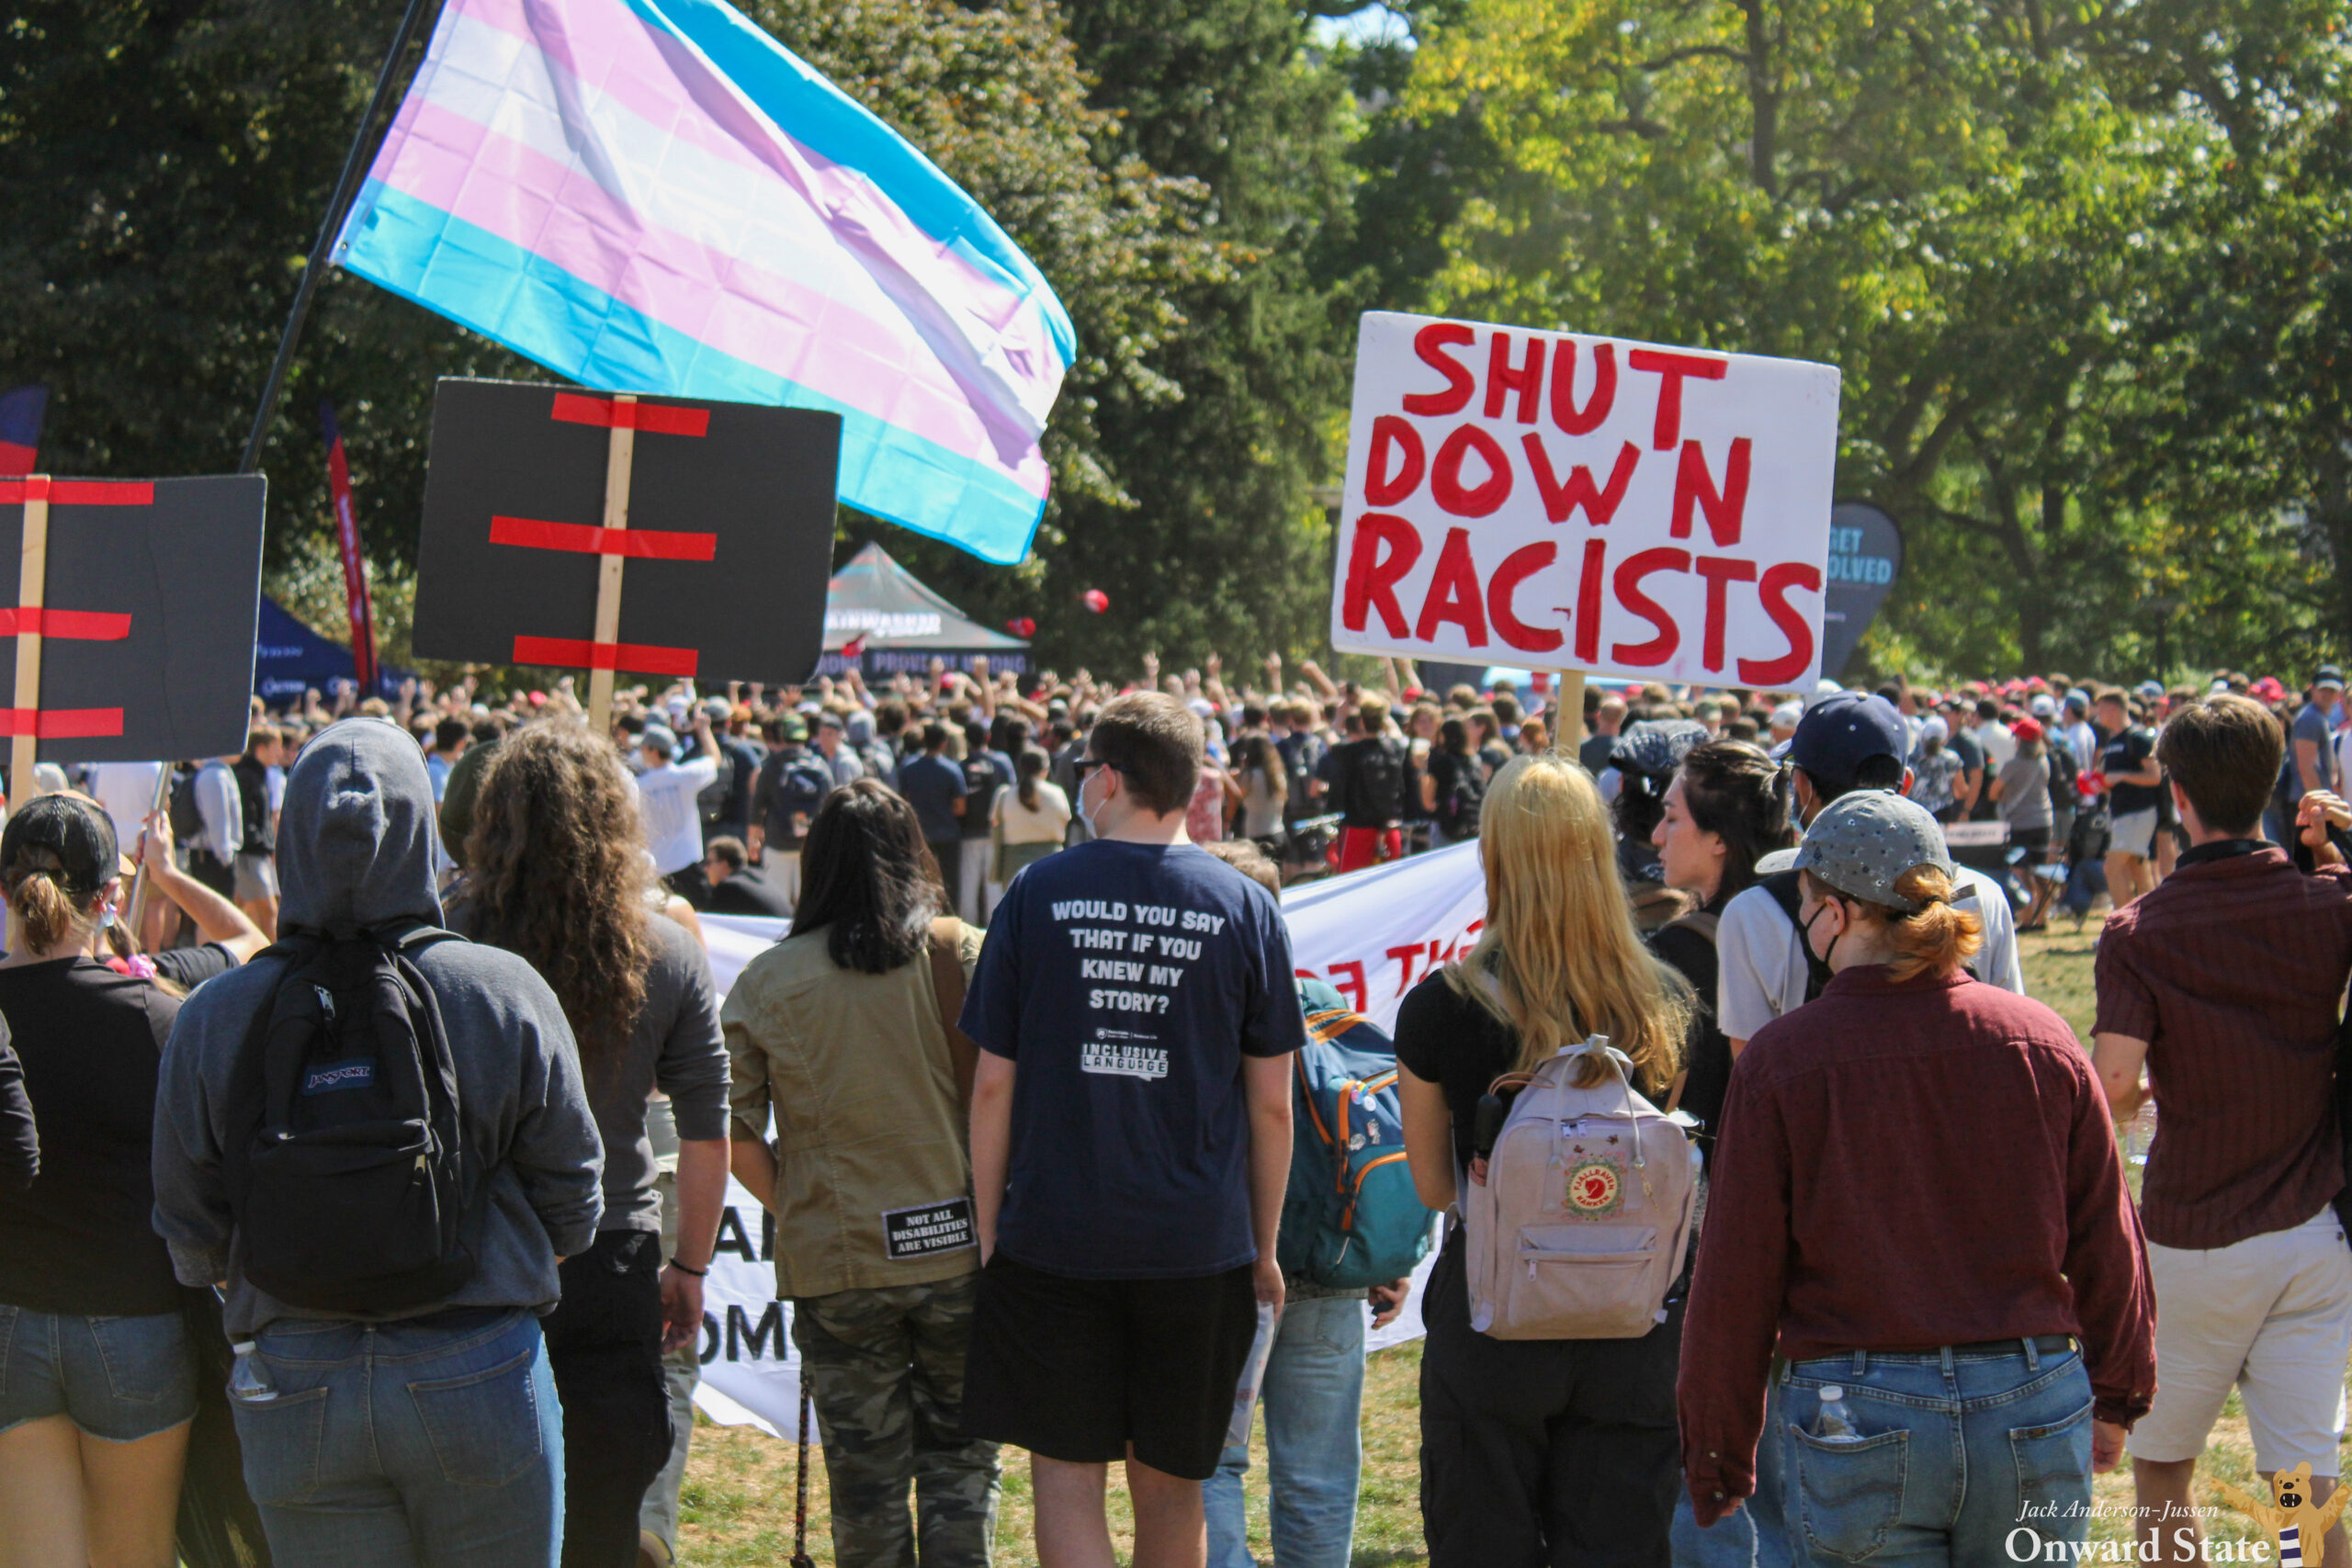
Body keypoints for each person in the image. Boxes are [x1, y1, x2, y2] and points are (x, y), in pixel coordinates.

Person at [153, 717, 605, 1568]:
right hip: (476, 1360)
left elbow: (186, 1225)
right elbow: (576, 1196)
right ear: (425, 830)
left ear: (289, 837)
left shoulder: (214, 1014)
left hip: (292, 1375)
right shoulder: (501, 991)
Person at [1679, 791, 2156, 1563]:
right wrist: (2119, 1389)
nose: (1803, 917)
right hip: (2030, 1399)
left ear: (1836, 912)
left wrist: (1717, 1450)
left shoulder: (1783, 1061)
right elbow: (2110, 1233)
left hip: (1854, 1411)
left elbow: (1736, 1274)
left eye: (1805, 900)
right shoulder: (2039, 1039)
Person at [960, 691, 1303, 1568]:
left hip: (1055, 1233)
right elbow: (1272, 1103)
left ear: (1108, 778)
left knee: (1066, 1480)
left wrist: (991, 1227)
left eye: (1083, 771)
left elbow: (992, 1084)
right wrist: (1260, 1245)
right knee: (1173, 1487)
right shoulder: (1246, 905)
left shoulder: (1039, 890)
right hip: (1197, 1244)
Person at [1393, 752, 1695, 1565]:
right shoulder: (1664, 1001)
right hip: (1634, 1321)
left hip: (1495, 1318)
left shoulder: (1440, 1005)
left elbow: (1431, 1185)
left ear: (1494, 858)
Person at [456, 721, 731, 1568]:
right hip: (615, 1255)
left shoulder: (446, 935)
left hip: (479, 1258)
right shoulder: (668, 953)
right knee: (604, 1519)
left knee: (482, 1514)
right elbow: (707, 1129)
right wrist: (689, 1265)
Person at [2090, 693, 2352, 1565]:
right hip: (2312, 1230)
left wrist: (2144, 1095)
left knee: (2163, 1468)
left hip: (2193, 1234)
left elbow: (2116, 1082)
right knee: (2302, 1480)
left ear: (2178, 794)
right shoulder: (2328, 902)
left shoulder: (2141, 930)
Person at [725, 779, 1001, 1568]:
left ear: (815, 867)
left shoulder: (768, 981)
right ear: (914, 853)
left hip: (838, 1266)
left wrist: (800, 1207)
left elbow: (730, 1127)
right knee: (961, 1460)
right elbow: (1009, 1093)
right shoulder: (959, 950)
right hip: (960, 1252)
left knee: (866, 1482)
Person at [1197, 839, 1409, 1568]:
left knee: (1211, 1463)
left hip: (1229, 1265)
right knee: (1319, 1473)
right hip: (1326, 1263)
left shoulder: (1198, 1009)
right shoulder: (1322, 1002)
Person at [0, 795, 190, 1568]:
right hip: (134, 1319)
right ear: (108, 897)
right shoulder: (153, 1016)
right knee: (135, 1555)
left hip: (11, 1315)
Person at [748, 716, 832, 910]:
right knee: (808, 905)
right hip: (810, 845)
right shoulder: (820, 765)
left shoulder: (771, 767)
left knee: (777, 904)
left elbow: (757, 807)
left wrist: (753, 841)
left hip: (778, 844)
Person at [635, 710, 722, 895]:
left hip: (655, 868)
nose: (640, 751)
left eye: (643, 747)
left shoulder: (638, 786)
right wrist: (704, 730)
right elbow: (714, 759)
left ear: (654, 751)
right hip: (686, 863)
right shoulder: (686, 776)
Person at [2097, 690, 2165, 909]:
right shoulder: (2114, 740)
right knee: (2137, 869)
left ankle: (2121, 925)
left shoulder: (2138, 737)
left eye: (2101, 709)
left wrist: (2122, 776)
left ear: (2114, 708)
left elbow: (2155, 777)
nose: (2098, 714)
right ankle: (2151, 924)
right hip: (2120, 813)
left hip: (2138, 813)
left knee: (2112, 868)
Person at [1993, 716, 2058, 931]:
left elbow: (1994, 792)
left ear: (2020, 740)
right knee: (2041, 872)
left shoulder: (2013, 765)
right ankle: (2042, 917)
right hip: (2044, 821)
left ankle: (2027, 917)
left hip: (2020, 823)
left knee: (2020, 871)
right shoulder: (2044, 761)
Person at [899, 722, 969, 918]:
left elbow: (904, 800)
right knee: (949, 882)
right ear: (944, 743)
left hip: (920, 835)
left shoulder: (908, 767)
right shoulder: (952, 769)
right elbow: (960, 807)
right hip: (947, 835)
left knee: (921, 880)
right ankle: (950, 918)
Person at [1328, 698, 1406, 873]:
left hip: (1358, 829)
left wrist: (1340, 716)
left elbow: (1330, 739)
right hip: (1389, 829)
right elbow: (1396, 734)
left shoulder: (1349, 752)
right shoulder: (1397, 749)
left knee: (1350, 884)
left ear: (1361, 722)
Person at [991, 748, 1071, 909]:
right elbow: (1065, 820)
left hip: (1013, 865)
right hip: (1052, 861)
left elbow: (995, 824)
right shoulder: (1056, 793)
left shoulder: (1005, 795)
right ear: (1045, 769)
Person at [232, 723, 284, 939]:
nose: (280, 752)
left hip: (255, 852)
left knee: (243, 908)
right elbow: (248, 819)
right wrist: (265, 845)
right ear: (261, 749)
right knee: (267, 911)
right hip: (250, 854)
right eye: (276, 747)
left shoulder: (259, 773)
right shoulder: (248, 775)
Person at [1423, 715, 1484, 847]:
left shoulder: (1439, 761)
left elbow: (1428, 802)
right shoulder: (1475, 760)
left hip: (1445, 825)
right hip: (1473, 825)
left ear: (1442, 736)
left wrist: (1422, 771)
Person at [698, 834, 795, 917]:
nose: (705, 869)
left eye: (708, 862)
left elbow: (707, 925)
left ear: (724, 864)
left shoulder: (728, 888)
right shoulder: (759, 877)